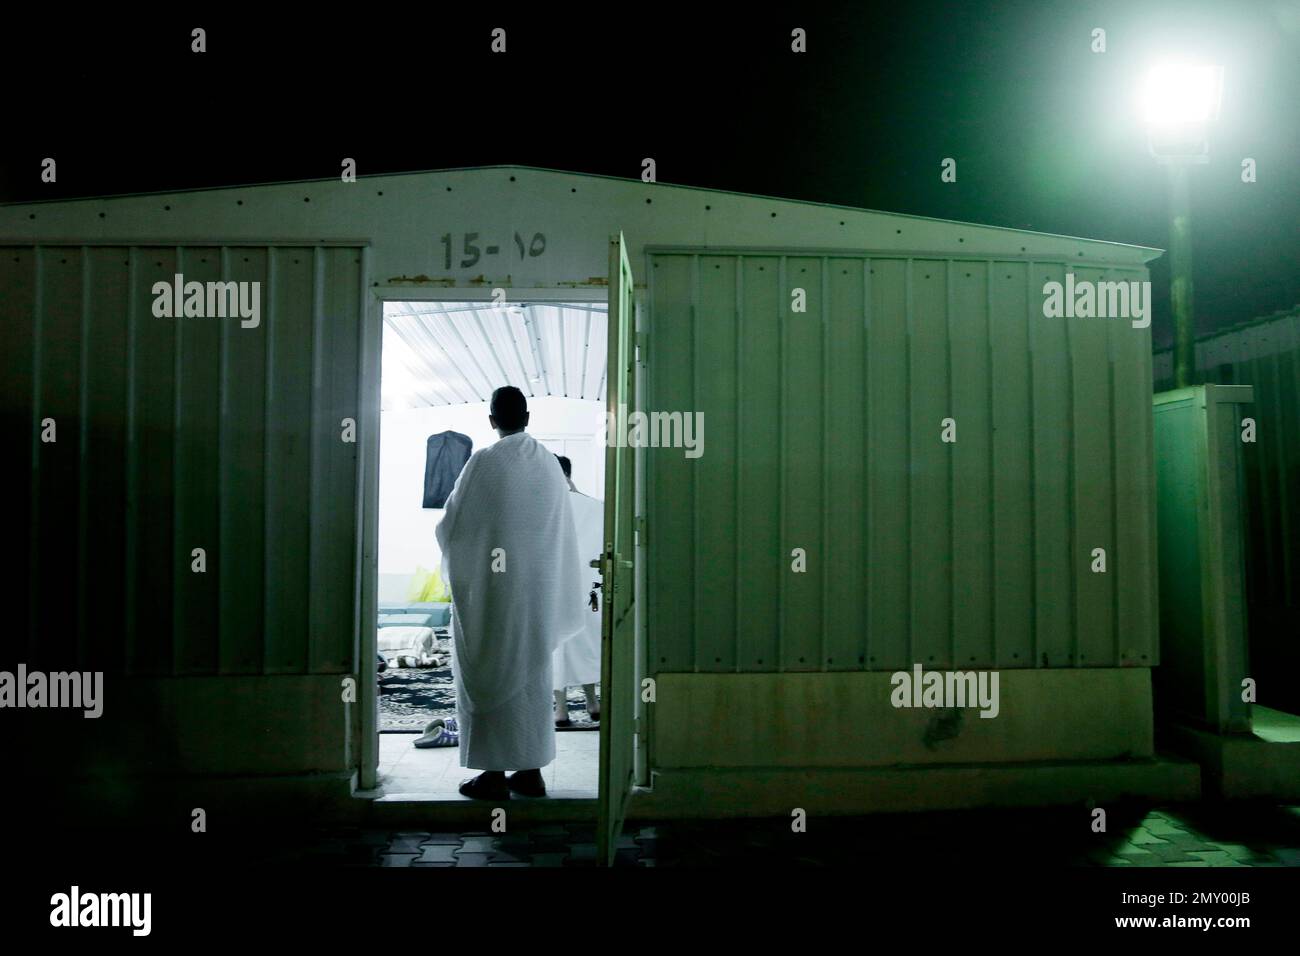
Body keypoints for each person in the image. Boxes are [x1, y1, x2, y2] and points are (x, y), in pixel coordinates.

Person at [434, 386, 584, 800]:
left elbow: (453, 524)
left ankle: (494, 774)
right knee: (533, 674)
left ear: (491, 420)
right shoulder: (550, 467)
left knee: (489, 667)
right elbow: (556, 533)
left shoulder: (483, 462)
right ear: (528, 417)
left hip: (493, 596)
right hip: (536, 595)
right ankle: (531, 772)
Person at [552, 455, 603, 728]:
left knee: (558, 646)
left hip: (555, 589)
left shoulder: (545, 508)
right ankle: (592, 702)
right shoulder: (593, 507)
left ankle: (561, 709)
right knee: (586, 640)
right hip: (590, 591)